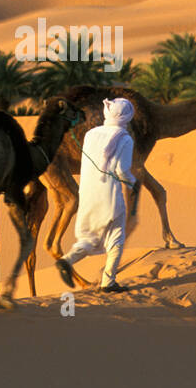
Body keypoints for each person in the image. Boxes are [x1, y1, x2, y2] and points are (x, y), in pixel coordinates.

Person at [56, 97, 138, 293]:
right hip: (109, 194)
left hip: (88, 192)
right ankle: (108, 282)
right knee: (116, 238)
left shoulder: (91, 134)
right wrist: (132, 183)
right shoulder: (124, 138)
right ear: (126, 116)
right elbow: (121, 169)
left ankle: (67, 260)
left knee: (89, 236)